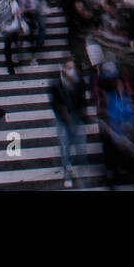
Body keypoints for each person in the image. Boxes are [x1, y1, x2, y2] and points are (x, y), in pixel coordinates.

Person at [49, 57, 87, 188]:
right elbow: (53, 103)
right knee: (65, 144)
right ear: (63, 69)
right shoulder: (56, 83)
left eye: (73, 68)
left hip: (75, 116)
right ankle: (67, 171)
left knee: (80, 144)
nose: (72, 71)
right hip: (62, 119)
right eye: (69, 68)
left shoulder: (78, 80)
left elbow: (82, 99)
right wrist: (63, 114)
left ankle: (80, 171)